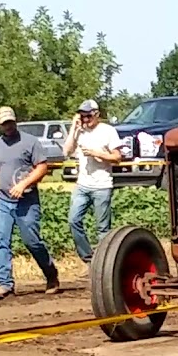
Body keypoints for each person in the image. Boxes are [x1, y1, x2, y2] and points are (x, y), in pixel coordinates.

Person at [0, 106, 60, 300]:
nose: (8, 126)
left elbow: (42, 167)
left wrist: (24, 184)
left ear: (15, 121)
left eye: (10, 122)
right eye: (4, 124)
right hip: (3, 200)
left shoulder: (31, 142)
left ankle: (51, 273)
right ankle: (5, 284)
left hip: (27, 200)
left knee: (32, 241)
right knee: (0, 240)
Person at [63, 99, 125, 264]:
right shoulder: (79, 131)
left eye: (88, 116)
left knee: (102, 228)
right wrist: (73, 128)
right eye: (82, 116)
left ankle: (104, 263)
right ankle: (89, 258)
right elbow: (66, 151)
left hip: (102, 185)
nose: (85, 120)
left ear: (97, 114)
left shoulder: (108, 131)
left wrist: (98, 153)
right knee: (73, 220)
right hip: (82, 185)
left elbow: (117, 157)